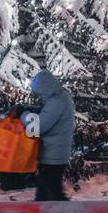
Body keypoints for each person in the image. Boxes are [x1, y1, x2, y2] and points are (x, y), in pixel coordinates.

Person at [29, 71, 75, 202]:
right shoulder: (59, 98)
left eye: (38, 92)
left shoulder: (56, 102)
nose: (38, 96)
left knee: (52, 193)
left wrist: (23, 114)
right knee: (46, 192)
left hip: (53, 155)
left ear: (44, 88)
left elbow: (36, 128)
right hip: (53, 153)